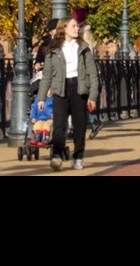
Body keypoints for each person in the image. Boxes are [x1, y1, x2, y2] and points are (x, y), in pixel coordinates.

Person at [36, 16, 99, 171]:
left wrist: (92, 96)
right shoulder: (53, 49)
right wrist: (41, 97)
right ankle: (57, 156)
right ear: (64, 29)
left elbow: (93, 74)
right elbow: (47, 75)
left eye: (77, 26)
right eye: (73, 26)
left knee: (80, 126)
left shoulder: (84, 48)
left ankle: (78, 157)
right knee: (58, 126)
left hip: (79, 89)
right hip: (60, 89)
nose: (77, 29)